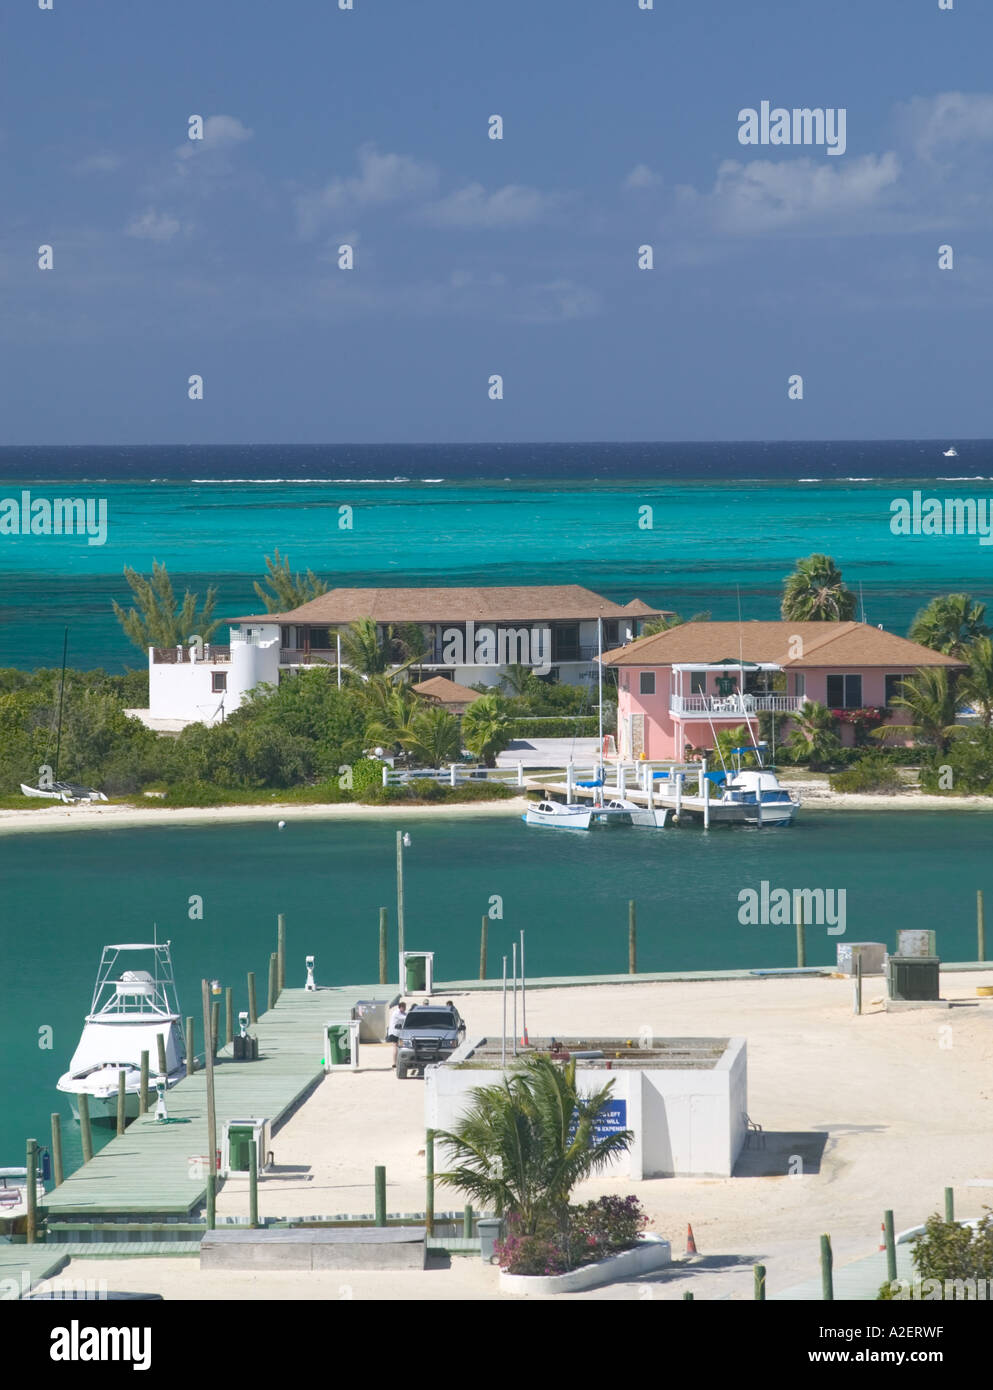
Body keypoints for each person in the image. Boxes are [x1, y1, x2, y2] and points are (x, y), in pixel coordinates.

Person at [387, 1001, 407, 1065]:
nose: (404, 1009)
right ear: (400, 1007)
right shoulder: (396, 1013)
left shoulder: (403, 1012)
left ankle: (399, 1062)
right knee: (395, 1047)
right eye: (404, 1008)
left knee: (400, 1047)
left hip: (400, 1033)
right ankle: (394, 1063)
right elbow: (405, 1018)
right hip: (394, 1033)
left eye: (405, 1008)